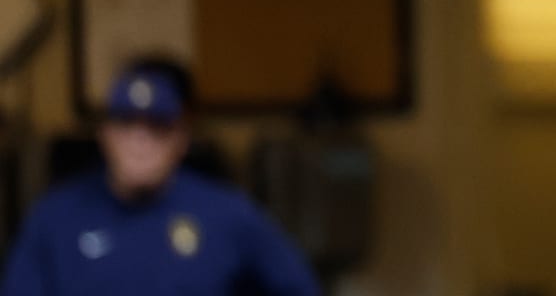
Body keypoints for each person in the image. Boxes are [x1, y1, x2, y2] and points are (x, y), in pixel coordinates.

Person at [0, 58, 321, 296]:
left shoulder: (229, 213)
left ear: (181, 140)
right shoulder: (55, 216)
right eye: (126, 124)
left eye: (157, 128)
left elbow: (298, 288)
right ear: (105, 134)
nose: (140, 142)